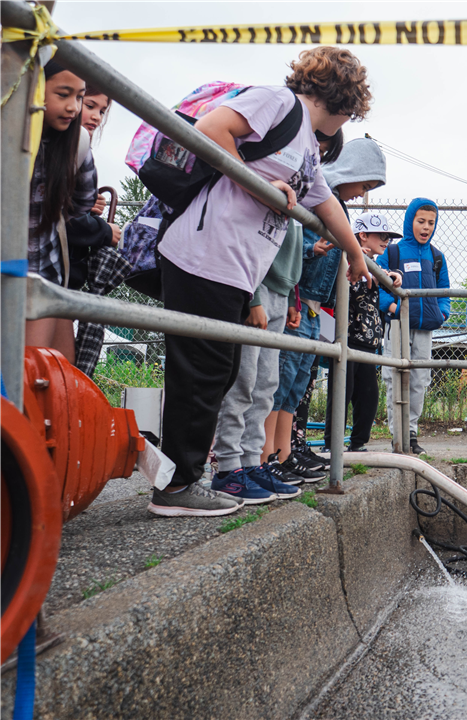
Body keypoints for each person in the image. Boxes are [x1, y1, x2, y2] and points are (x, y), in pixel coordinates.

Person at [148, 47, 373, 518]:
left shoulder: (308, 147)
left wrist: (355, 253)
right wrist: (258, 184)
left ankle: (185, 477)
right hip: (204, 254)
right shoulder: (277, 102)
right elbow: (211, 129)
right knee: (202, 371)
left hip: (234, 267)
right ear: (344, 102)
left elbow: (326, 204)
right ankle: (176, 486)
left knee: (221, 371)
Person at [209, 131, 344, 504]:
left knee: (267, 381)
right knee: (244, 380)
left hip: (283, 291)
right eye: (316, 148)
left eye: (323, 152)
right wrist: (251, 296)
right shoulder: (265, 179)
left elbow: (290, 256)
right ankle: (228, 467)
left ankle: (254, 462)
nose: (317, 156)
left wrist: (295, 297)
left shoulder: (300, 193)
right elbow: (246, 240)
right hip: (258, 287)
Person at [262, 137, 387, 477]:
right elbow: (289, 239)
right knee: (278, 380)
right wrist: (311, 250)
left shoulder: (336, 205)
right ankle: (265, 458)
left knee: (295, 384)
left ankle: (285, 454)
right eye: (363, 184)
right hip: (297, 299)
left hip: (317, 307)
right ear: (349, 170)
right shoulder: (313, 197)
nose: (362, 193)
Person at [26, 60, 98, 364]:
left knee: (29, 373)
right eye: (63, 94)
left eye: (79, 97)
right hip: (20, 265)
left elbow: (83, 202)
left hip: (41, 273)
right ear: (35, 89)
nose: (73, 107)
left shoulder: (77, 143)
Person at [323, 212, 402, 452]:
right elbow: (347, 284)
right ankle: (331, 443)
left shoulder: (375, 264)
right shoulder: (346, 257)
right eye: (381, 235)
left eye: (388, 236)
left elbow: (383, 277)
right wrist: (361, 263)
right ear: (363, 235)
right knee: (340, 394)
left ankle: (358, 442)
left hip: (369, 341)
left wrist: (393, 276)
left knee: (368, 395)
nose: (386, 240)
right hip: (347, 338)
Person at [377, 199, 449, 456]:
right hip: (397, 326)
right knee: (394, 377)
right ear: (410, 221)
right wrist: (392, 307)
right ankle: (398, 433)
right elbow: (380, 286)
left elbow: (444, 291)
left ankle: (411, 433)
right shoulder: (392, 253)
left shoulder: (437, 256)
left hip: (425, 328)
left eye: (431, 222)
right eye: (421, 221)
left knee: (419, 380)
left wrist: (442, 313)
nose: (426, 227)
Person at [68, 85, 131, 377]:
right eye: (88, 105)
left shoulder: (81, 149)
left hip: (67, 277)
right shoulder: (63, 145)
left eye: (101, 111)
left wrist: (88, 205)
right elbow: (61, 219)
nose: (94, 116)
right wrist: (105, 231)